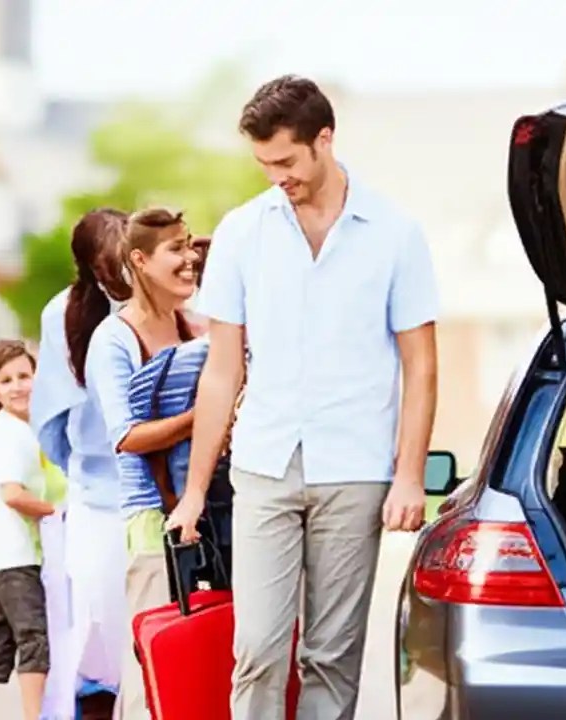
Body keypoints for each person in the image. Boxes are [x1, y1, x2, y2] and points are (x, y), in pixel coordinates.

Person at [166, 74, 440, 720]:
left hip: (355, 469)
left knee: (331, 657)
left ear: (324, 139)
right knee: (258, 648)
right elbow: (221, 371)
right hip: (264, 464)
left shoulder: (394, 234)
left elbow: (421, 365)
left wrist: (408, 477)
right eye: (264, 165)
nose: (275, 177)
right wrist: (197, 490)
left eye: (286, 161)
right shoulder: (240, 233)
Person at [85, 207, 202, 719]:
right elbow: (126, 437)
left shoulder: (190, 327)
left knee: (195, 659)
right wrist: (206, 416)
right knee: (152, 660)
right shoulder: (114, 339)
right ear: (139, 260)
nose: (190, 257)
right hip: (152, 518)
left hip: (205, 513)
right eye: (176, 249)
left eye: (191, 245)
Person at [30, 208, 135, 713]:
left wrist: (81, 465)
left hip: (105, 495)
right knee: (127, 638)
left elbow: (50, 422)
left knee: (97, 644)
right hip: (123, 494)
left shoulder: (60, 311)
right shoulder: (142, 306)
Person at [0, 339, 55, 720]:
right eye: (6, 380)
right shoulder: (8, 433)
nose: (19, 386)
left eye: (25, 375)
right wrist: (57, 512)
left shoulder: (19, 428)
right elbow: (12, 494)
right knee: (35, 640)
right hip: (15, 558)